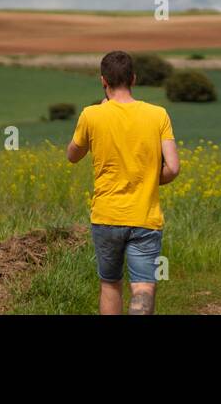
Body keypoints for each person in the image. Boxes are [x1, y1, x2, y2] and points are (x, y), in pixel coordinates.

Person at [67, 50, 179, 314]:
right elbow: (173, 167)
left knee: (110, 284)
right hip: (144, 217)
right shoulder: (158, 114)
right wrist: (150, 180)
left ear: (103, 81)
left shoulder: (91, 115)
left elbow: (72, 155)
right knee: (143, 287)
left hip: (106, 216)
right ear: (133, 79)